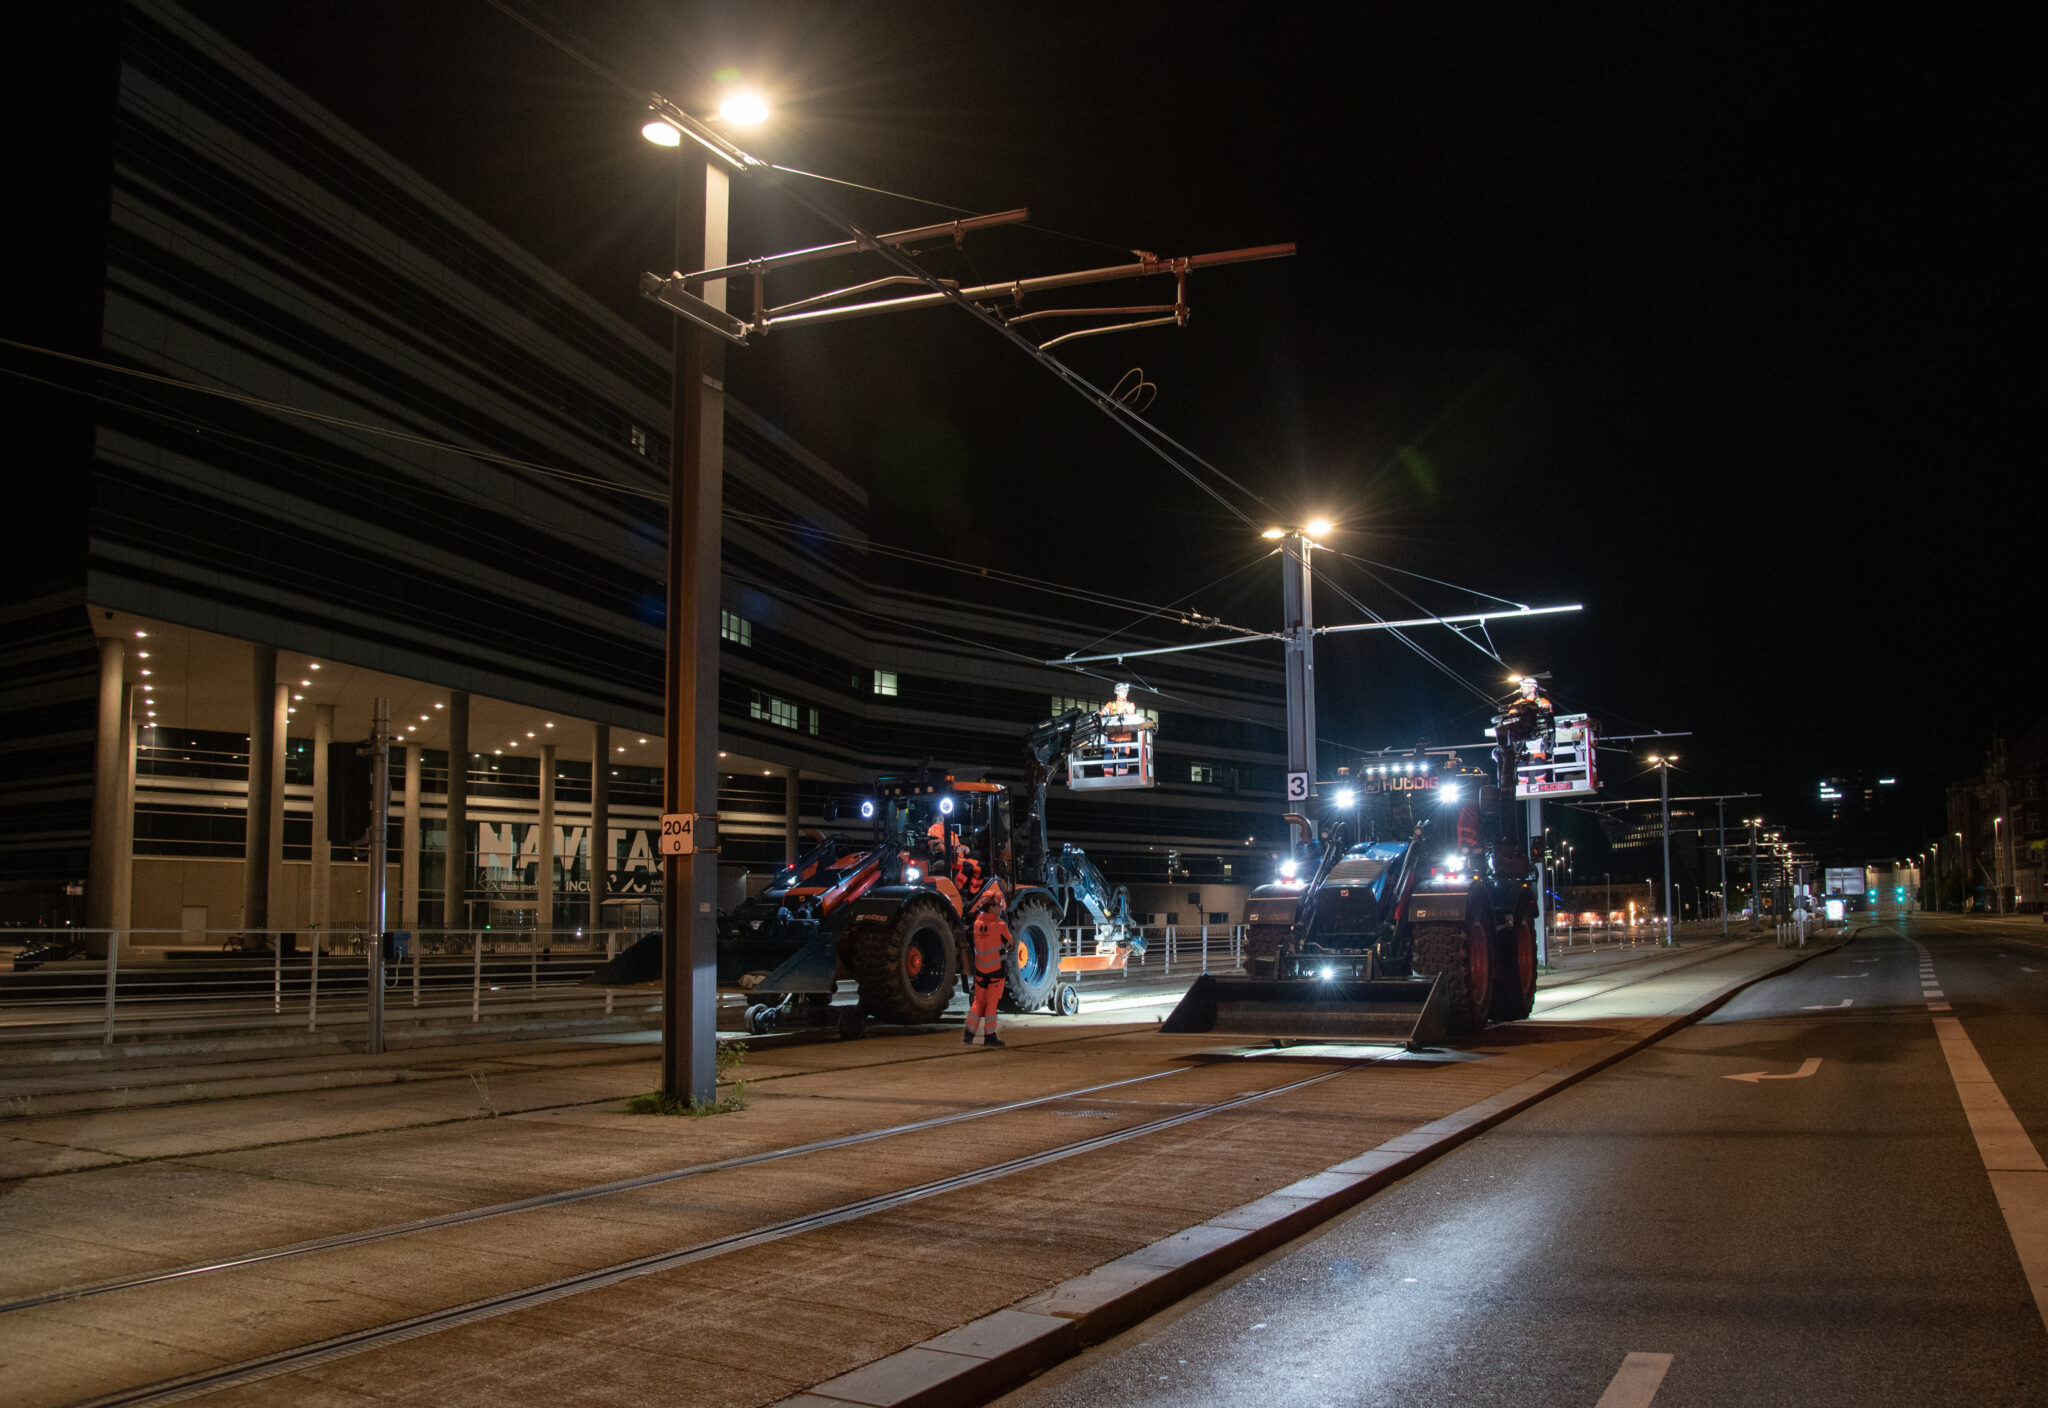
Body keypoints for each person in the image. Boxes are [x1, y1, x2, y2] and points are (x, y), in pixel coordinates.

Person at [965, 898, 1011, 1047]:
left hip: (980, 970)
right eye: (998, 907)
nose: (1000, 910)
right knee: (991, 1004)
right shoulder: (1000, 925)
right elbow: (1011, 943)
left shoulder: (977, 924)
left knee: (978, 1002)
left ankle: (969, 1033)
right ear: (991, 907)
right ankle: (989, 1036)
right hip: (996, 971)